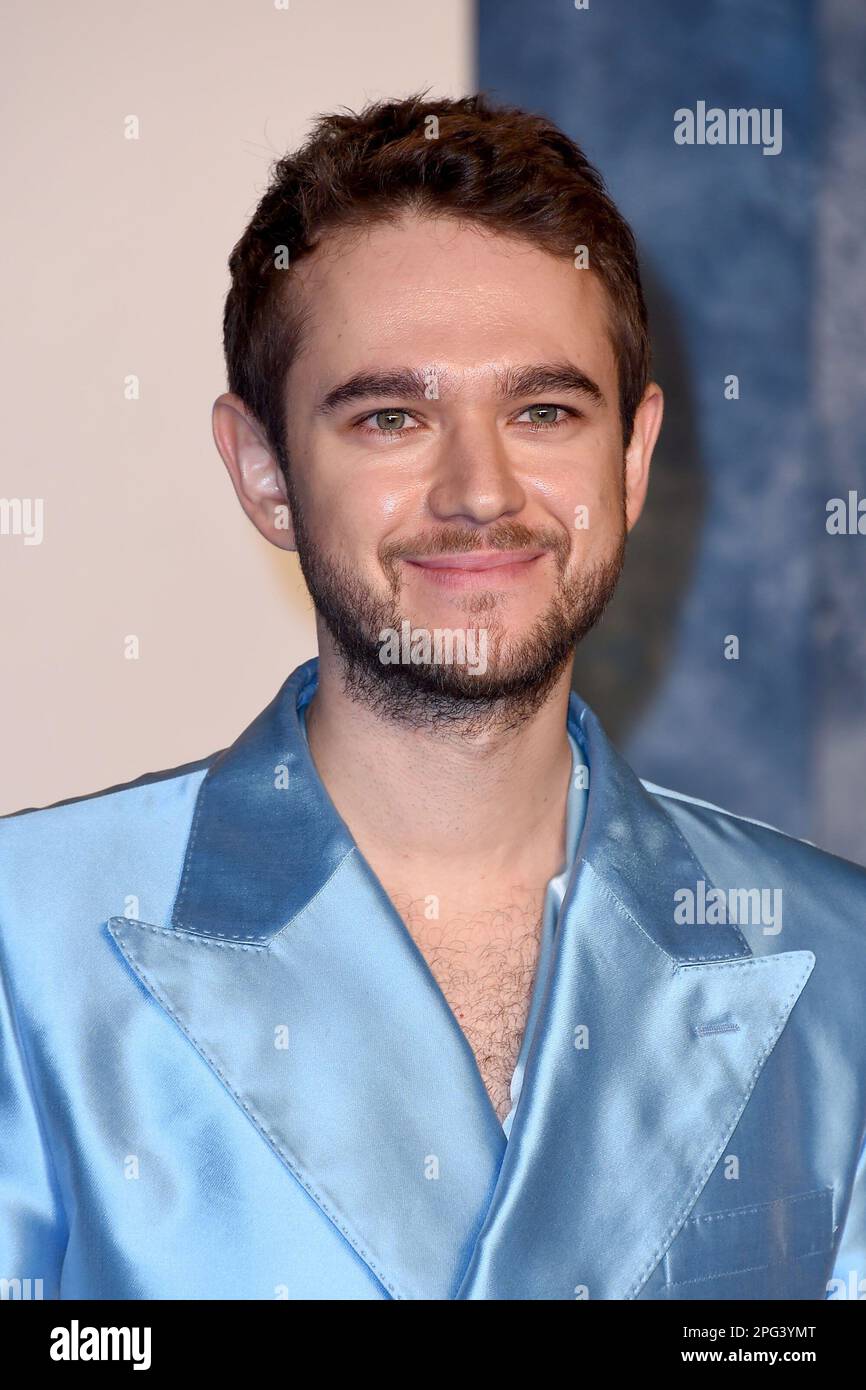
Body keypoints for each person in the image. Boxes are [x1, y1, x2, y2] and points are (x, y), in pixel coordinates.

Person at [1, 92, 864, 1302]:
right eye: (392, 416)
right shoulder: (24, 945)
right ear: (264, 473)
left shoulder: (839, 965)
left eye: (543, 410)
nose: (477, 488)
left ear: (628, 460)